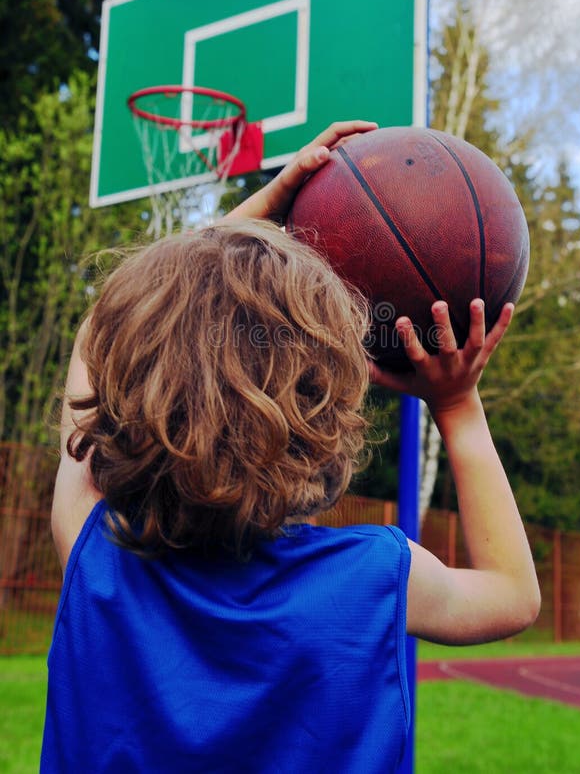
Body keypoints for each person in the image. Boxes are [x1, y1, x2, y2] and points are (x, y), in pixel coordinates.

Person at [42, 122, 540, 773]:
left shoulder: (93, 548)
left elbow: (97, 329)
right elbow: (512, 595)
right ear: (330, 412)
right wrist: (456, 406)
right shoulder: (372, 579)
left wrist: (255, 213)